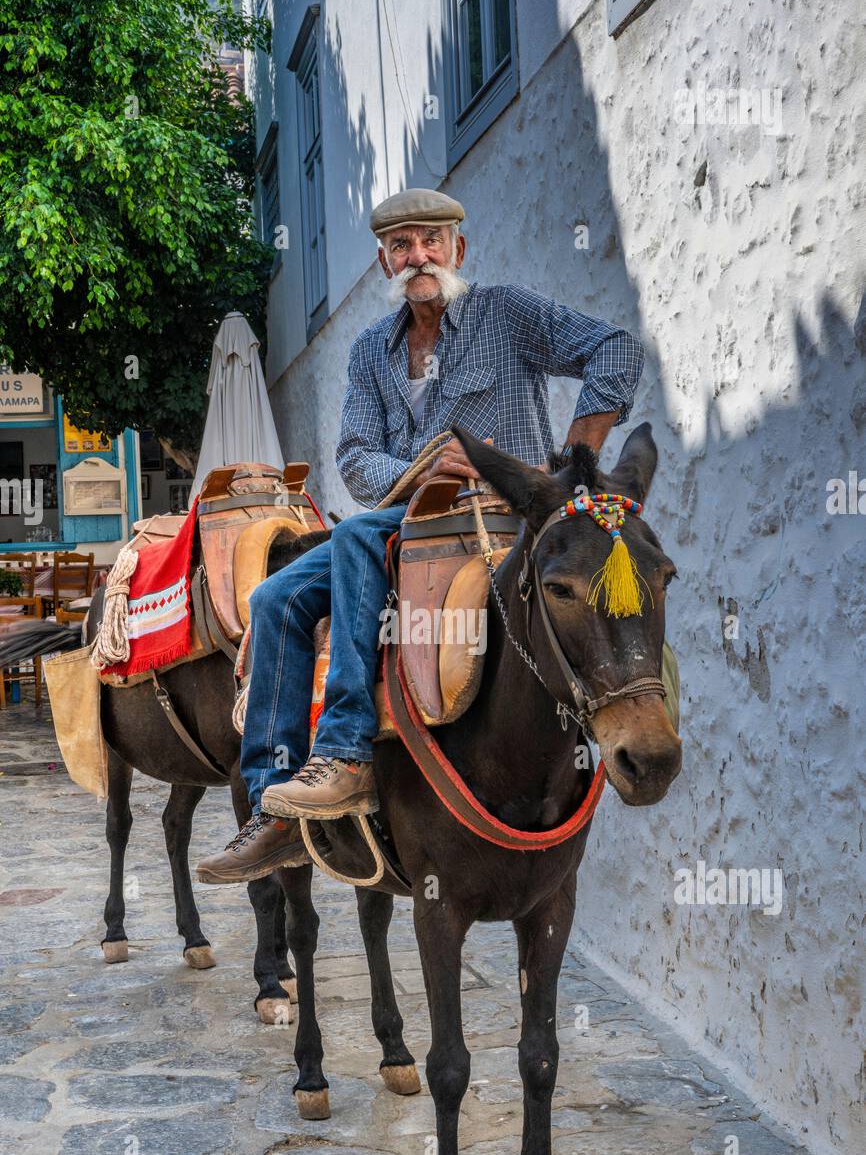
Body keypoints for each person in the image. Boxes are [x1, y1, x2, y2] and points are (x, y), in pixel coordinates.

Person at [197, 188, 644, 883]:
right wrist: (418, 465)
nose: (419, 256)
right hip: (408, 520)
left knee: (350, 542)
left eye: (432, 240)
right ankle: (276, 812)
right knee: (272, 601)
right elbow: (353, 456)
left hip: (498, 522)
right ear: (384, 262)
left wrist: (572, 467)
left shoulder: (507, 314)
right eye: (402, 246)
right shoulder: (371, 350)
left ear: (457, 250)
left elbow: (615, 351)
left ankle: (344, 754)